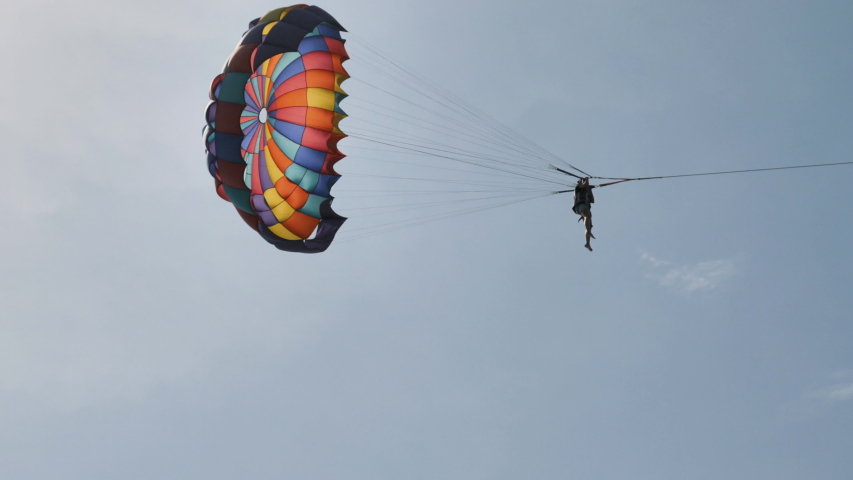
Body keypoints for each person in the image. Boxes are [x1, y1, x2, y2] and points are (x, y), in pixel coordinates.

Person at [572, 178, 595, 251]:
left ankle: (587, 243)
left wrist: (590, 190)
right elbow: (584, 184)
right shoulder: (577, 188)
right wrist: (587, 179)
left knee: (589, 225)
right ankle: (588, 231)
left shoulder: (586, 190)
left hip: (585, 206)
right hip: (580, 205)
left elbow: (592, 201)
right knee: (587, 216)